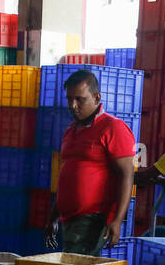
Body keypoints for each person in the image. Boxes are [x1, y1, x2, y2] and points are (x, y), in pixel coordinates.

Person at [44, 69, 135, 254]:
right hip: (68, 218)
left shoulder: (113, 127)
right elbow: (66, 176)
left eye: (80, 99)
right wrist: (53, 216)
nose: (73, 105)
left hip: (93, 218)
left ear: (96, 97)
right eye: (69, 99)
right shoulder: (71, 130)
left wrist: (117, 220)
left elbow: (127, 175)